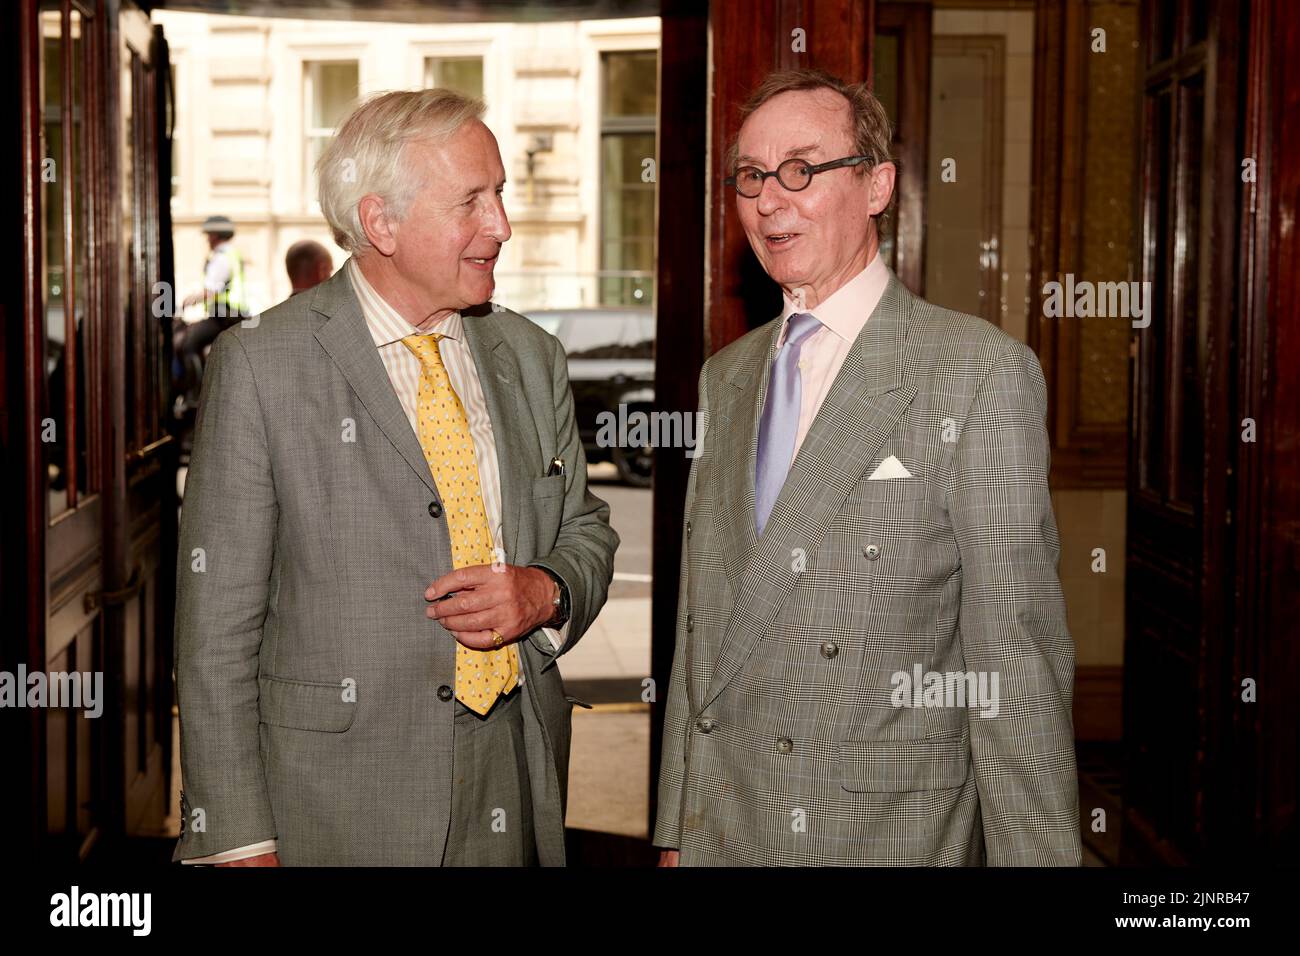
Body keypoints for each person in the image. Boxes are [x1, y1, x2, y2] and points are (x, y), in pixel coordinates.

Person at [172, 88, 618, 866]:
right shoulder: (261, 365)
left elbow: (585, 527)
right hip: (334, 807)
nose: (502, 226)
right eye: (472, 202)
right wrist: (235, 836)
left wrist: (545, 588)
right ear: (380, 222)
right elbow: (216, 634)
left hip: (514, 775)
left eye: (502, 195)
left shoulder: (531, 355)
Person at [654, 69, 1080, 866]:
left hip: (882, 838)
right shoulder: (727, 377)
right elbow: (702, 626)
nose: (770, 200)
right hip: (725, 829)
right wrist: (678, 828)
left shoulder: (975, 374)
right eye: (751, 176)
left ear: (878, 185)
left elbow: (1013, 664)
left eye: (803, 170)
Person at [177, 215, 249, 405]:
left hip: (224, 316)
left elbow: (210, 291)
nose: (207, 239)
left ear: (216, 235)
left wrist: (185, 303)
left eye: (209, 235)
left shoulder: (220, 258)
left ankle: (195, 395)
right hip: (234, 315)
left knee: (188, 344)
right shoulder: (232, 254)